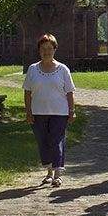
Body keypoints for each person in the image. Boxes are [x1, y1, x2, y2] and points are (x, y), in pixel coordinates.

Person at [22, 34, 76, 187]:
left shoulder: (63, 69)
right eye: (43, 48)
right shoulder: (33, 69)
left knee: (56, 141)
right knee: (43, 142)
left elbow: (70, 92)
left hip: (59, 112)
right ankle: (49, 172)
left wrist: (71, 110)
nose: (46, 52)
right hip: (38, 112)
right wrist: (28, 111)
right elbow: (27, 92)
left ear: (54, 50)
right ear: (39, 50)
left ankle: (57, 174)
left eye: (49, 48)